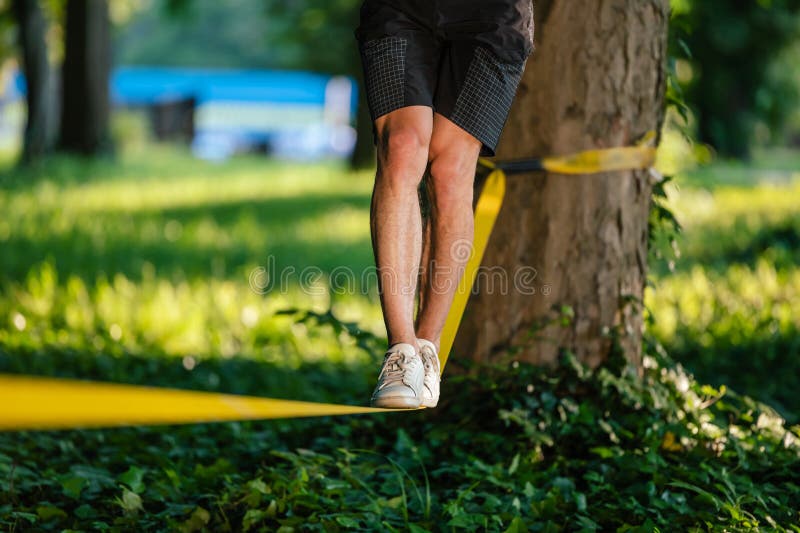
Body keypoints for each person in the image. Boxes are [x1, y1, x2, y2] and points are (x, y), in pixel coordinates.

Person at [354, 0, 534, 408]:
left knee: (450, 170)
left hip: (493, 14)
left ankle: (428, 349)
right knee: (400, 147)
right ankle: (401, 352)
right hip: (401, 8)